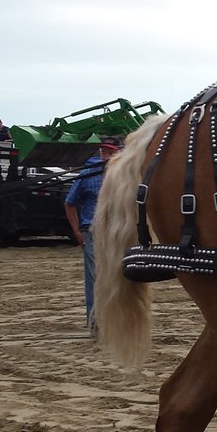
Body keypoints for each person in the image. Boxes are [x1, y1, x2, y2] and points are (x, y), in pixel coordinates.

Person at [64, 136, 122, 336]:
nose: (106, 156)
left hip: (117, 231)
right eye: (104, 152)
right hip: (93, 231)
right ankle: (96, 322)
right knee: (96, 276)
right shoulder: (89, 173)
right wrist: (77, 231)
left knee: (119, 275)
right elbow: (69, 202)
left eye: (111, 152)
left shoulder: (124, 175)